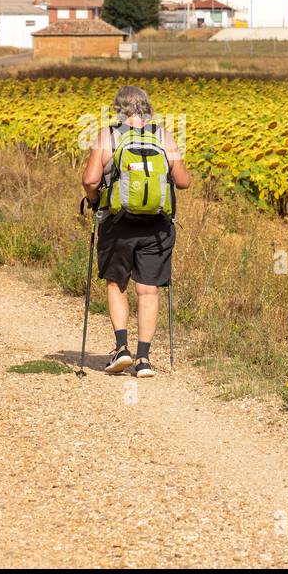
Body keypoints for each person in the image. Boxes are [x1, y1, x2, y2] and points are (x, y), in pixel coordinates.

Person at [81, 85, 191, 378]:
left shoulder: (108, 135)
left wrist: (94, 201)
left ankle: (121, 349)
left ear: (118, 108)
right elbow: (183, 182)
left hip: (118, 223)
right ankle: (143, 359)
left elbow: (90, 179)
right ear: (147, 107)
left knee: (117, 283)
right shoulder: (163, 135)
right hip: (157, 226)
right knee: (148, 289)